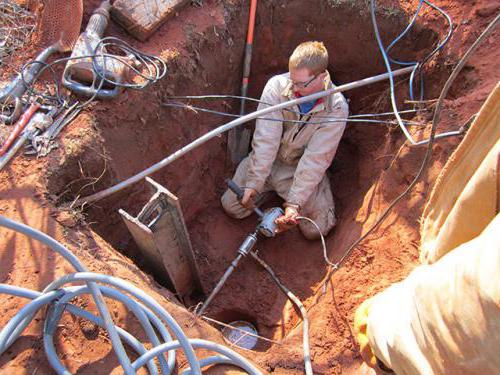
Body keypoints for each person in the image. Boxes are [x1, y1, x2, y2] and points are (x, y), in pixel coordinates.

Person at [221, 41, 349, 239]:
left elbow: (316, 158)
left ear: (322, 77)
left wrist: (294, 204)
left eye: (301, 84)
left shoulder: (337, 108)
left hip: (297, 169)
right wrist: (254, 183)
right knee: (231, 206)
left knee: (316, 229)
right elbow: (265, 141)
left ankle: (318, 186)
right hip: (269, 162)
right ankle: (267, 189)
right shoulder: (276, 87)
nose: (295, 88)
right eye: (292, 80)